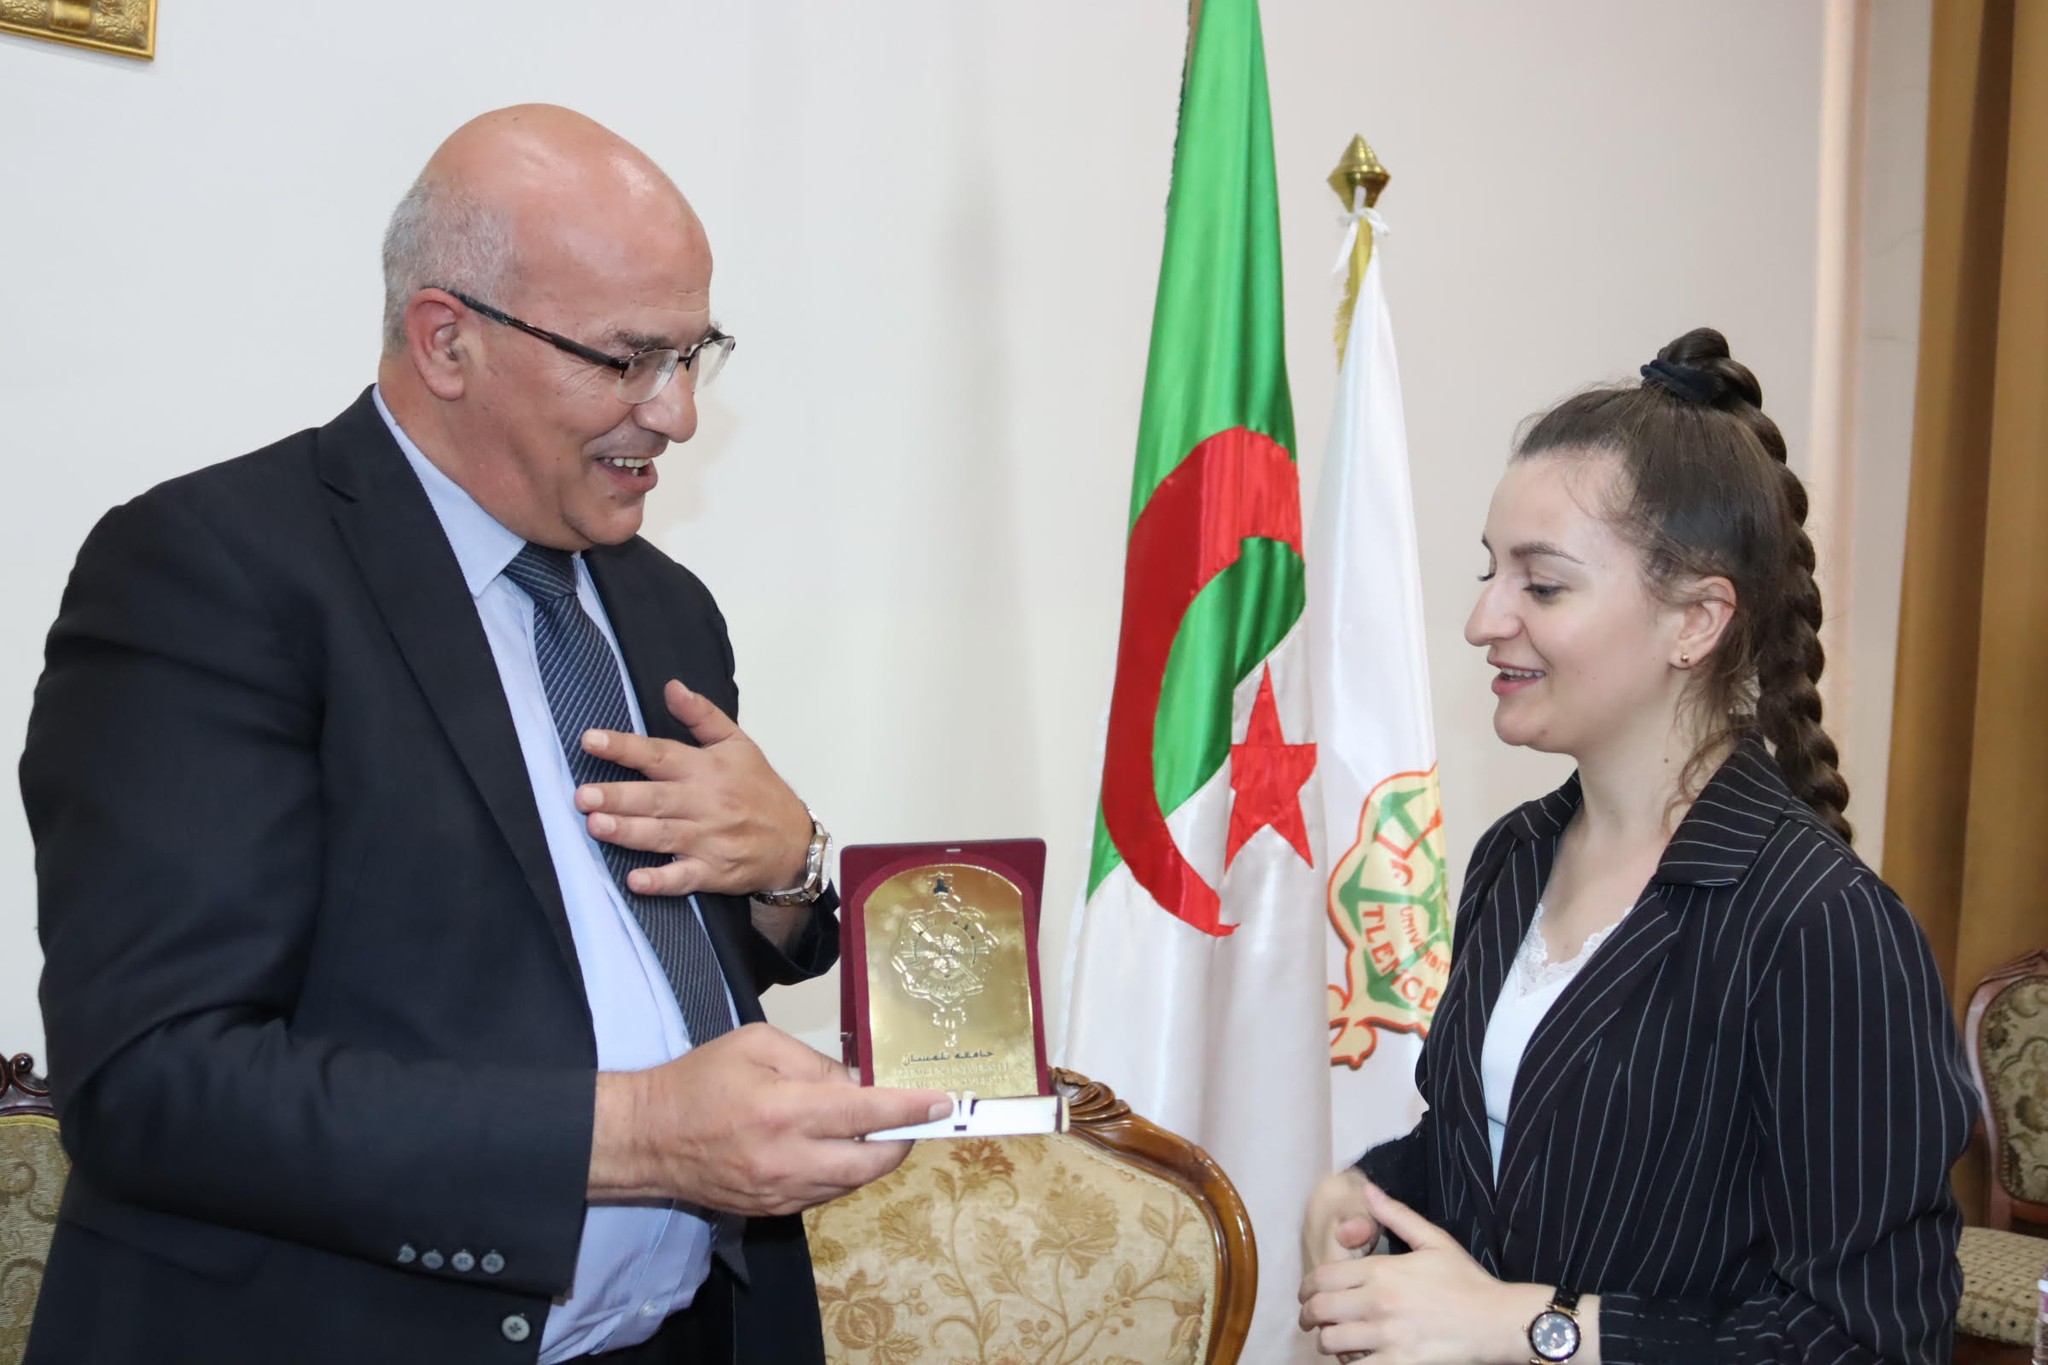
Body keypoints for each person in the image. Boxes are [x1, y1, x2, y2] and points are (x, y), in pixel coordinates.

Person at [19, 105, 951, 1364]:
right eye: (628, 359)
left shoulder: (662, 605)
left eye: (694, 354)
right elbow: (156, 1082)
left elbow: (645, 954)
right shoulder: (210, 572)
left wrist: (786, 871)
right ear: (447, 341)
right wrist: (639, 1137)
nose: (674, 414)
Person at [1297, 328, 1975, 1365]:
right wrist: (1370, 1193)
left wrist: (1535, 1331)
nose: (1484, 619)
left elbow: (1866, 1338)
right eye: (1490, 573)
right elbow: (1491, 1152)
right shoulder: (1512, 859)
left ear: (1695, 620)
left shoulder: (1818, 925)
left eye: (1542, 583)